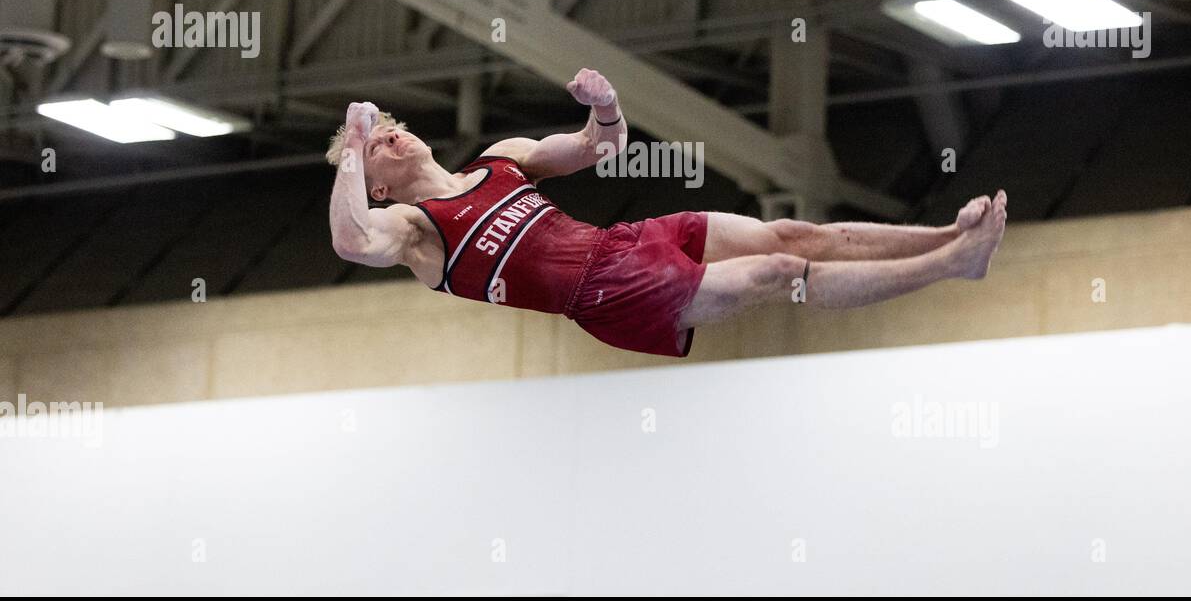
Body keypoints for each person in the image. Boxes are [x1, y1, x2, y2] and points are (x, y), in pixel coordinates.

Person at [327, 68, 1007, 358]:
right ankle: (954, 265)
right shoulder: (416, 233)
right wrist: (351, 152)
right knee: (777, 270)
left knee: (790, 232)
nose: (390, 134)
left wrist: (605, 106)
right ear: (378, 185)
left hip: (628, 240)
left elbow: (600, 147)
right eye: (377, 141)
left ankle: (952, 232)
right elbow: (352, 239)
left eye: (391, 126)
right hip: (611, 294)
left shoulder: (499, 160)